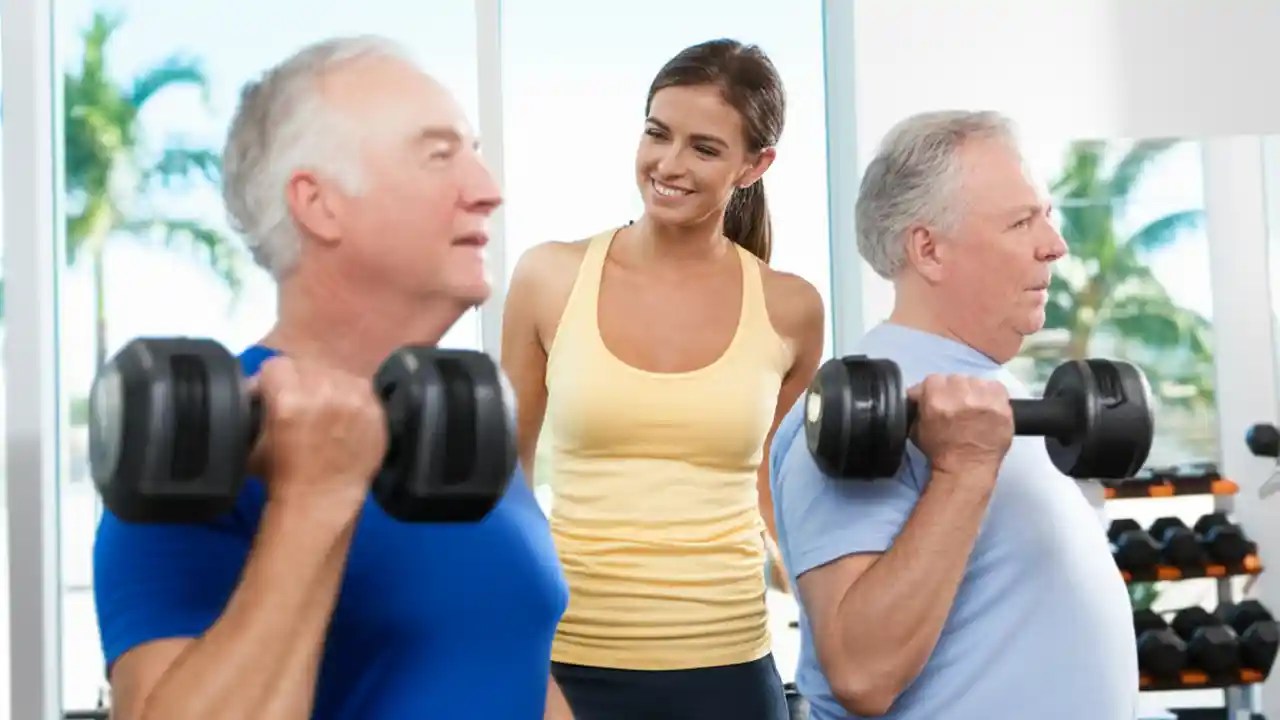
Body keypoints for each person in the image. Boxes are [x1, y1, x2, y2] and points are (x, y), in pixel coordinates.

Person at [92, 36, 570, 720]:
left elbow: (515, 668)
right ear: (319, 204)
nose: (487, 192)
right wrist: (313, 495)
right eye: (440, 156)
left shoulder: (467, 430)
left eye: (475, 154)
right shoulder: (196, 451)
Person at [768, 109, 1139, 720]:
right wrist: (963, 468)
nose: (1055, 244)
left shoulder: (995, 391)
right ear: (929, 249)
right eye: (1022, 221)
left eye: (1046, 214)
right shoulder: (863, 401)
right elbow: (861, 673)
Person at [502, 38, 826, 720]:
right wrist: (515, 652)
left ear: (754, 165)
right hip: (568, 665)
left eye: (704, 148)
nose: (668, 165)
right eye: (657, 134)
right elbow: (507, 481)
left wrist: (840, 614)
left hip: (731, 672)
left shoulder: (791, 308)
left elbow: (781, 492)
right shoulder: (548, 278)